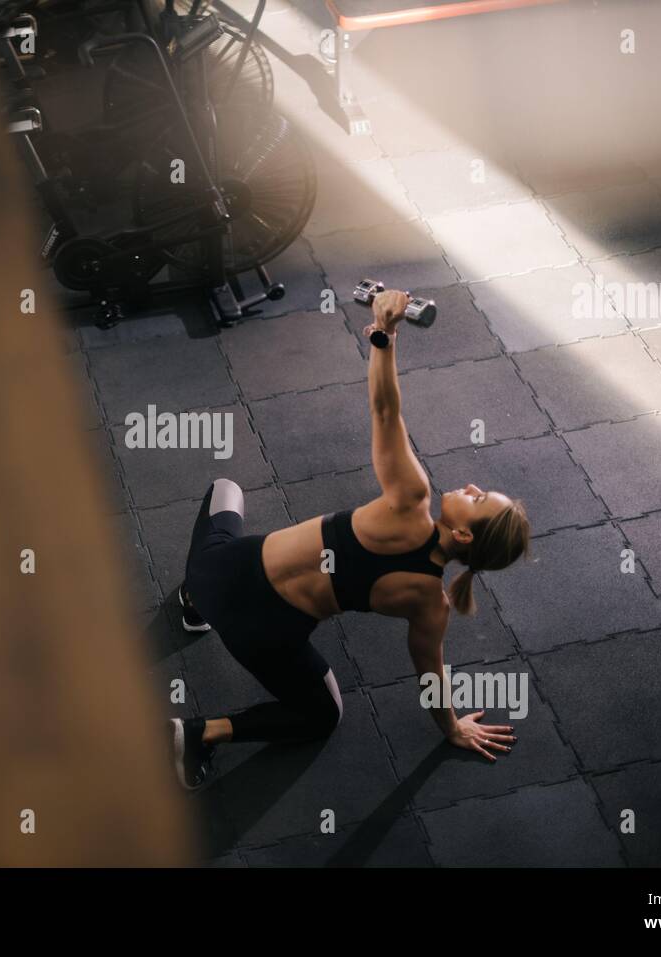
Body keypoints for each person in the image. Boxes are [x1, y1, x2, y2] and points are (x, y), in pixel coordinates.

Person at [170, 289, 531, 789]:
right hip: (261, 640)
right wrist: (451, 728)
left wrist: (385, 332)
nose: (470, 487)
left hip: (216, 571)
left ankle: (192, 600)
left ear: (465, 531)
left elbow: (385, 412)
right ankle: (197, 734)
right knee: (323, 716)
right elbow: (430, 677)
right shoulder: (432, 604)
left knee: (226, 489)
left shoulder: (410, 499)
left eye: (478, 496)